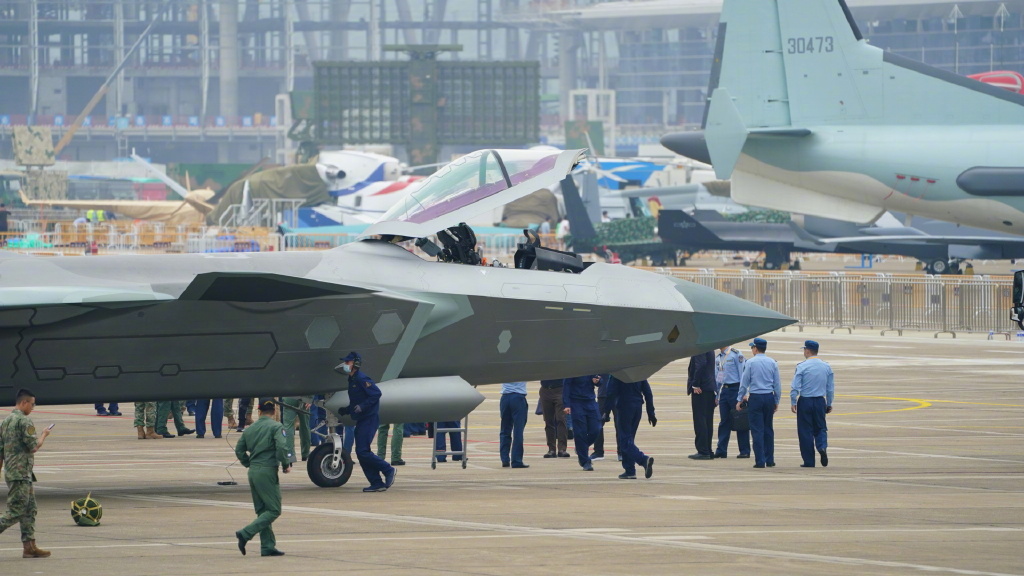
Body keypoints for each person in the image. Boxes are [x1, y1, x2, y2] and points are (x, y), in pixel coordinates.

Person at [234, 398, 291, 557]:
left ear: (258, 411)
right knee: (274, 509)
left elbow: (239, 450)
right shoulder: (276, 427)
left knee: (262, 511)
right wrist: (285, 464)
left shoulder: (250, 429)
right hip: (267, 471)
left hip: (253, 471)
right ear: (274, 411)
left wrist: (248, 463)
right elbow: (281, 447)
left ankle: (267, 546)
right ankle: (245, 533)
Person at [0, 388, 52, 558]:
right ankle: (29, 546)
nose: (33, 407)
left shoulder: (5, 422)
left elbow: (0, 451)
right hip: (20, 473)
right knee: (15, 511)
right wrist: (44, 435)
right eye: (32, 404)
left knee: (29, 509)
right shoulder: (24, 421)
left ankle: (29, 547)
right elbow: (33, 446)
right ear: (24, 402)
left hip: (14, 472)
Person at [335, 352, 396, 492]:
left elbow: (376, 394)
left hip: (369, 418)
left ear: (355, 364)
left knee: (362, 451)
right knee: (362, 452)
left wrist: (363, 406)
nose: (345, 364)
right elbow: (357, 400)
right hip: (362, 419)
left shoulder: (361, 378)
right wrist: (347, 410)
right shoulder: (352, 379)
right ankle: (376, 482)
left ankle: (388, 469)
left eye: (348, 362)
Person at [737, 337, 781, 469]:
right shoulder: (772, 362)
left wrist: (739, 399)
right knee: (768, 429)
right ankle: (770, 459)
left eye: (752, 347)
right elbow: (777, 384)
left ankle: (760, 461)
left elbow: (744, 383)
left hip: (756, 398)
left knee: (757, 430)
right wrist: (776, 400)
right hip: (768, 397)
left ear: (755, 348)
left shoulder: (750, 362)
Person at [790, 340, 834, 468]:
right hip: (820, 400)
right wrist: (829, 403)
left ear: (807, 351)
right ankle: (822, 446)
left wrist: (793, 401)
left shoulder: (802, 366)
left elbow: (795, 387)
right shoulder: (826, 366)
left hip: (805, 401)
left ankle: (809, 461)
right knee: (821, 427)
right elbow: (830, 388)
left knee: (805, 431)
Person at [603, 376, 656, 479]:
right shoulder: (638, 372)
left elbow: (610, 392)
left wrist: (606, 411)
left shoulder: (617, 374)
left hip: (624, 407)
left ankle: (643, 459)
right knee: (629, 439)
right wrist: (651, 413)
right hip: (637, 407)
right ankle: (630, 470)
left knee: (624, 440)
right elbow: (648, 392)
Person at [714, 344, 750, 459]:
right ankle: (721, 450)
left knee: (740, 420)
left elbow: (742, 375)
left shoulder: (736, 354)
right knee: (724, 421)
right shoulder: (718, 358)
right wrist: (717, 394)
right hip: (724, 390)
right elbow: (718, 378)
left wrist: (744, 393)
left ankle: (744, 450)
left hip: (736, 389)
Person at [563, 375, 601, 471]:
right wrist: (566, 404)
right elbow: (566, 386)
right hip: (576, 402)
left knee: (596, 429)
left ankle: (581, 448)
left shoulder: (591, 368)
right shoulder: (573, 370)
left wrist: (597, 381)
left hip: (591, 401)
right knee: (580, 433)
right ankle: (585, 461)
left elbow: (600, 381)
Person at [687, 350, 717, 460]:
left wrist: (695, 384)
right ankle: (708, 449)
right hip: (709, 388)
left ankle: (703, 450)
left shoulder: (700, 348)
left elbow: (700, 364)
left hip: (701, 389)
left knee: (700, 420)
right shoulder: (710, 347)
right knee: (708, 420)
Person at [498, 381, 529, 468]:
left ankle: (505, 459)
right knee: (518, 430)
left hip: (505, 396)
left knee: (505, 429)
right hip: (518, 397)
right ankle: (516, 460)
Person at [539, 379, 569, 458]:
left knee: (561, 419)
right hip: (545, 389)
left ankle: (562, 449)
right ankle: (551, 449)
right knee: (548, 421)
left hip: (559, 389)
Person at [591, 375, 618, 461]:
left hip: (617, 395)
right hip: (603, 395)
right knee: (598, 424)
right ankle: (598, 451)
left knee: (620, 424)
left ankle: (622, 452)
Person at [281, 396, 311, 462]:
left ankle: (290, 455)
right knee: (305, 427)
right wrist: (310, 398)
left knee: (288, 427)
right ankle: (306, 453)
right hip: (304, 397)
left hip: (289, 397)